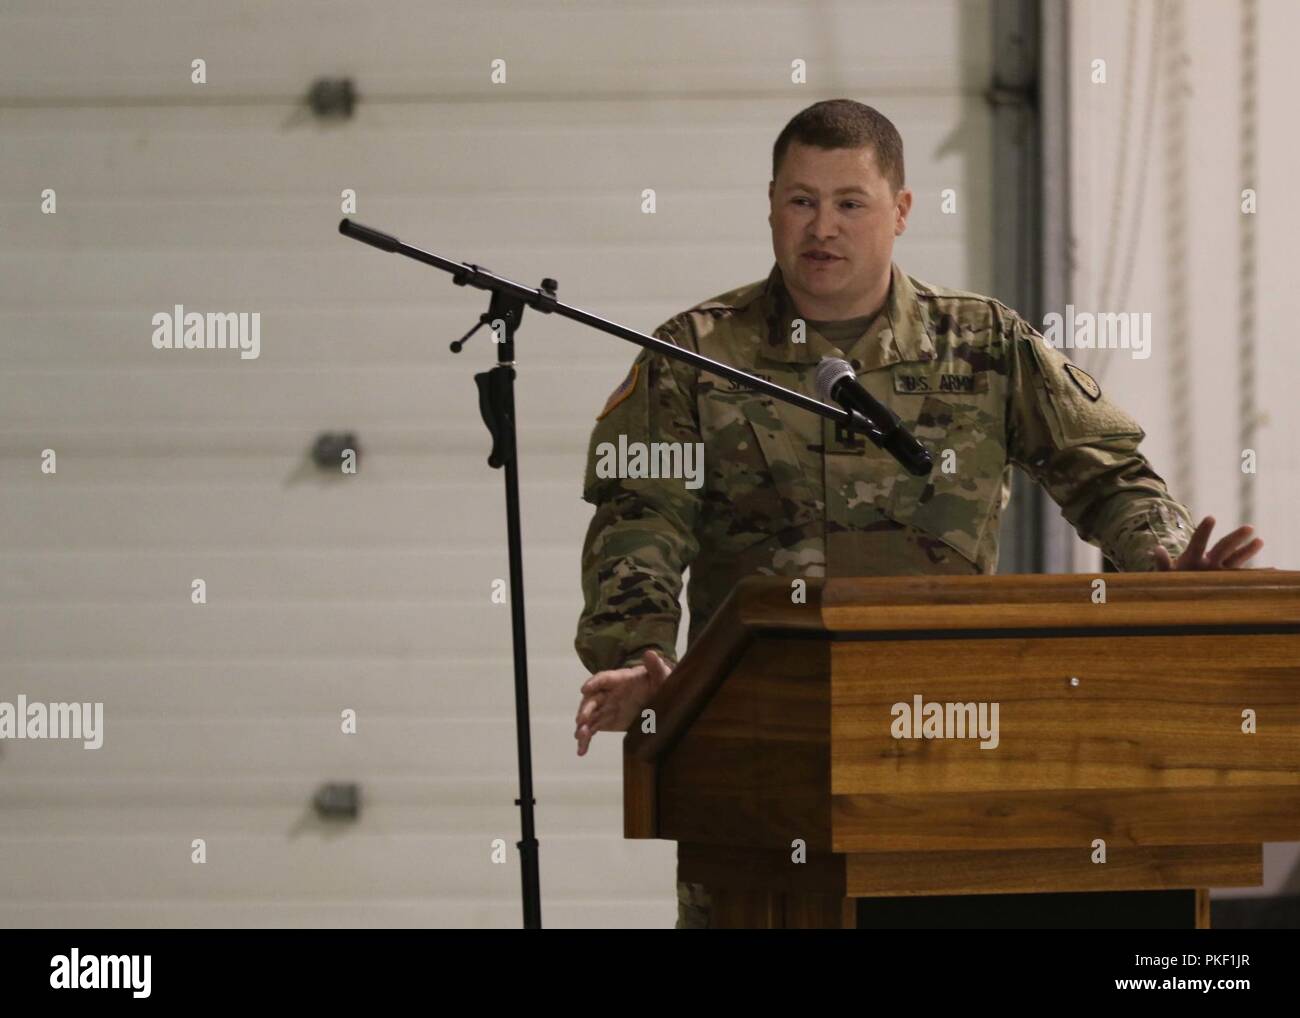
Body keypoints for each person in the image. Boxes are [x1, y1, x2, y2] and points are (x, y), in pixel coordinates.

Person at [571, 99, 1265, 928]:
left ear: (900, 212)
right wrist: (643, 651)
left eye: (849, 203)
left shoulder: (982, 344)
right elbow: (641, 519)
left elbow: (1109, 476)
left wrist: (1165, 564)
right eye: (800, 201)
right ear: (769, 205)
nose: (821, 227)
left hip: (948, 749)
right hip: (760, 747)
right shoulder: (694, 356)